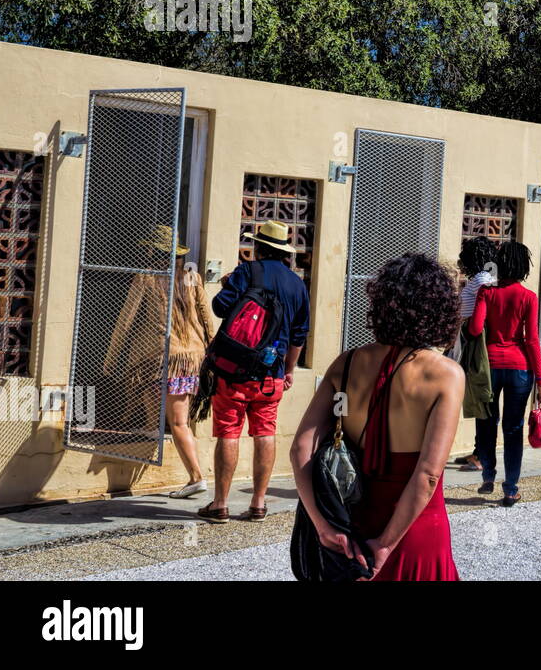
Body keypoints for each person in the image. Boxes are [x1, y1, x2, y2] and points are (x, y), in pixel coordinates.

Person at [291, 252, 464, 581]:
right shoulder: (445, 375)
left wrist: (323, 526)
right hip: (416, 528)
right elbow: (427, 475)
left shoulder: (347, 363)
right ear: (440, 309)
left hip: (353, 526)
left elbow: (301, 449)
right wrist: (385, 545)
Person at [198, 220, 309, 523]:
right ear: (285, 251)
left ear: (258, 247)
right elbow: (299, 334)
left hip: (233, 370)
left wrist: (227, 285)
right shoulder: (297, 284)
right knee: (265, 432)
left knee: (228, 432)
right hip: (271, 373)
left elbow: (221, 308)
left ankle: (220, 503)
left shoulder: (247, 272)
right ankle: (258, 504)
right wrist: (288, 370)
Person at [103, 224, 214, 492]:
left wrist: (110, 356)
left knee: (178, 422)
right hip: (192, 357)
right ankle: (152, 426)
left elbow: (125, 321)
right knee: (149, 378)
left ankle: (197, 477)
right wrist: (211, 348)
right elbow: (206, 318)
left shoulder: (146, 277)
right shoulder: (192, 277)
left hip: (168, 357)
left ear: (153, 251)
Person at [468, 240, 541, 507]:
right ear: (524, 266)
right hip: (520, 369)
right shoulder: (528, 297)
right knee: (514, 429)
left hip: (489, 367)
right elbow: (532, 340)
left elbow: (476, 329)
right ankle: (511, 489)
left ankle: (488, 475)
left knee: (487, 422)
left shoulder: (486, 293)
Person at [451, 235, 497, 472]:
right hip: (467, 337)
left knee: (482, 397)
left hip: (474, 340)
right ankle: (479, 451)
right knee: (479, 398)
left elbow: (480, 317)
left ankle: (482, 455)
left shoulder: (484, 281)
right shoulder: (479, 279)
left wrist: (467, 334)